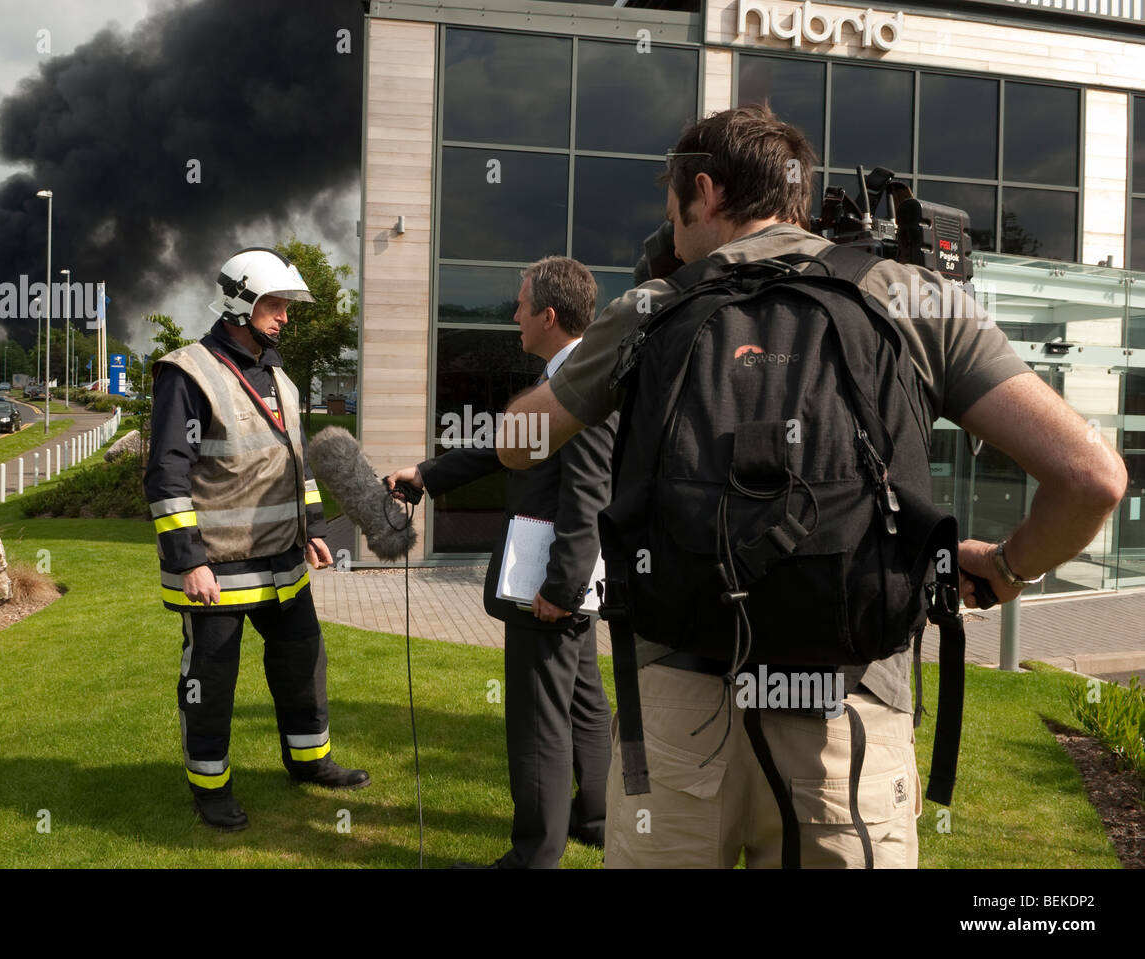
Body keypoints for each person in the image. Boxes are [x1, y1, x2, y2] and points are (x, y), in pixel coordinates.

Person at [496, 106, 1128, 868]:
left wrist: (576, 366)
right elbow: (1093, 476)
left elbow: (516, 445)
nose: (672, 237)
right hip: (849, 716)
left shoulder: (652, 308)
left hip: (680, 716)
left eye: (673, 215)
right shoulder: (911, 298)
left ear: (703, 190)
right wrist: (1007, 566)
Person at [388, 256, 615, 868]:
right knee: (585, 701)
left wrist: (561, 588)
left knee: (540, 721)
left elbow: (589, 496)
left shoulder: (584, 385)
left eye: (519, 305)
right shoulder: (568, 378)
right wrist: (429, 474)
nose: (512, 314)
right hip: (568, 584)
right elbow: (505, 448)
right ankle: (598, 819)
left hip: (551, 585)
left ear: (547, 314)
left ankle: (533, 857)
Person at [145, 247, 370, 832]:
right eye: (275, 304)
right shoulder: (186, 372)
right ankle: (210, 786)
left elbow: (298, 465)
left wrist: (315, 529)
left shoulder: (282, 379)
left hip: (283, 560)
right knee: (212, 679)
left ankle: (309, 762)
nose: (284, 317)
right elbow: (166, 476)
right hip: (216, 568)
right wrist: (188, 561)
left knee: (302, 660)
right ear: (240, 302)